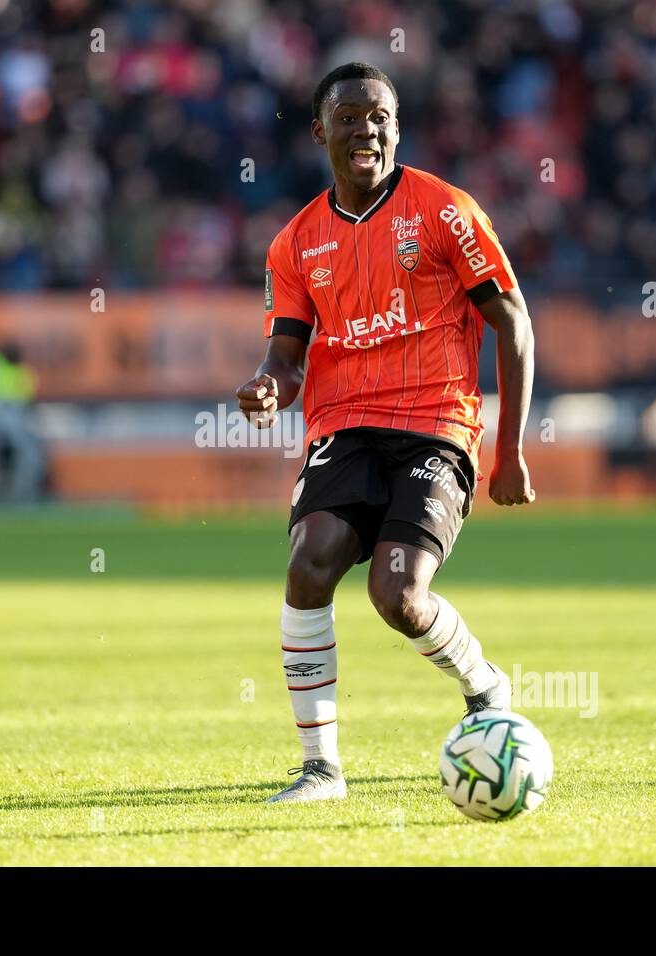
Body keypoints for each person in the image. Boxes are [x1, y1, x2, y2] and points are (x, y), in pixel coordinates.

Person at [235, 63, 538, 802]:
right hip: (344, 424)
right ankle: (320, 769)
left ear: (395, 128)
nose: (366, 128)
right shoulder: (295, 243)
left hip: (438, 425)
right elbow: (287, 353)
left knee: (396, 593)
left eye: (380, 116)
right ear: (321, 131)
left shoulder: (445, 212)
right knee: (309, 564)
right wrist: (270, 384)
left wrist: (512, 452)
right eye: (350, 116)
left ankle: (483, 685)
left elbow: (515, 325)